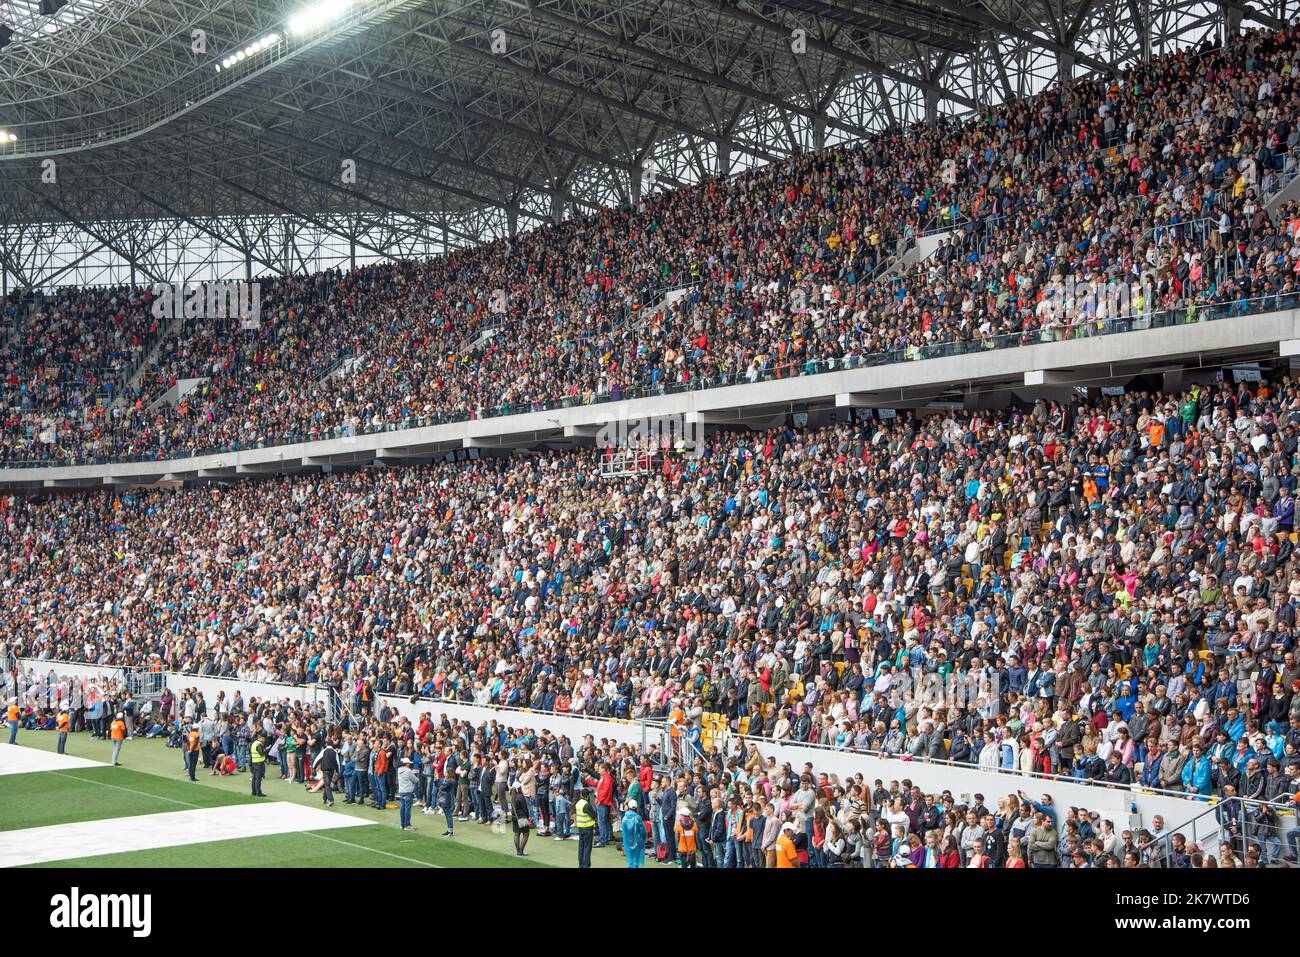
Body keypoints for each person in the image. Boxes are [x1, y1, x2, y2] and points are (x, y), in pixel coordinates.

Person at [574, 787, 597, 868]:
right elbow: (594, 815)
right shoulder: (586, 805)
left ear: (581, 795)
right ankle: (586, 865)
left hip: (580, 828)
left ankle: (581, 864)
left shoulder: (578, 803)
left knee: (581, 847)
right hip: (587, 828)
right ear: (588, 796)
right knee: (587, 848)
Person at [621, 798, 646, 868]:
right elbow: (643, 832)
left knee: (630, 860)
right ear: (636, 807)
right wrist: (644, 839)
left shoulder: (624, 818)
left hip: (627, 842)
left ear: (628, 807)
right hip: (638, 842)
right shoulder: (638, 818)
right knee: (636, 860)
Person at [510, 783, 532, 857]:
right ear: (518, 788)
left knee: (517, 834)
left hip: (514, 817)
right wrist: (528, 817)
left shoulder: (512, 796)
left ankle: (518, 851)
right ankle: (521, 852)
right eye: (520, 787)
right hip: (521, 817)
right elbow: (525, 809)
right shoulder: (520, 797)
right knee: (526, 834)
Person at [316, 737, 338, 807]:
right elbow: (337, 762)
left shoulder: (324, 750)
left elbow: (317, 759)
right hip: (332, 770)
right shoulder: (334, 751)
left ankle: (330, 800)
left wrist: (314, 767)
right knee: (327, 784)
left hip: (325, 770)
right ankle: (324, 798)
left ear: (326, 744)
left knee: (327, 784)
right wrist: (338, 770)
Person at [396, 757, 417, 830]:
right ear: (406, 764)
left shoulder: (399, 770)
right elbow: (416, 780)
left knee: (402, 808)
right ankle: (407, 825)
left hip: (401, 791)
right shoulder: (408, 771)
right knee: (407, 809)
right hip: (408, 791)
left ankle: (402, 824)